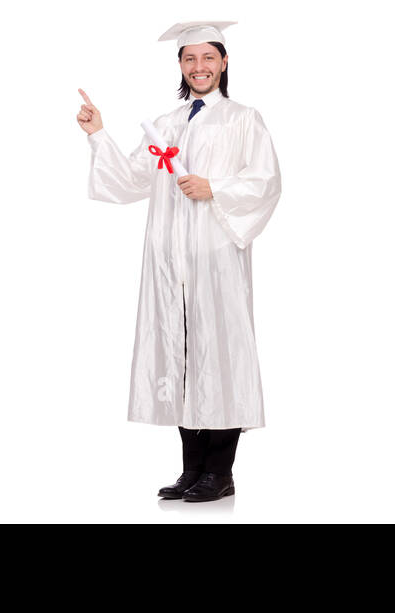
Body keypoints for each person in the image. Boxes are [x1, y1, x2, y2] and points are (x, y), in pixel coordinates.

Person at [76, 21, 281, 502]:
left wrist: (216, 189)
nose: (199, 67)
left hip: (216, 260)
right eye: (190, 59)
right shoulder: (167, 124)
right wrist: (98, 134)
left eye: (208, 58)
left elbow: (267, 181)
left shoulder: (243, 119)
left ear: (224, 62)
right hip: (170, 263)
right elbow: (129, 179)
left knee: (221, 356)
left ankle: (221, 471)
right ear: (181, 66)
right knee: (182, 355)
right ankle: (192, 469)